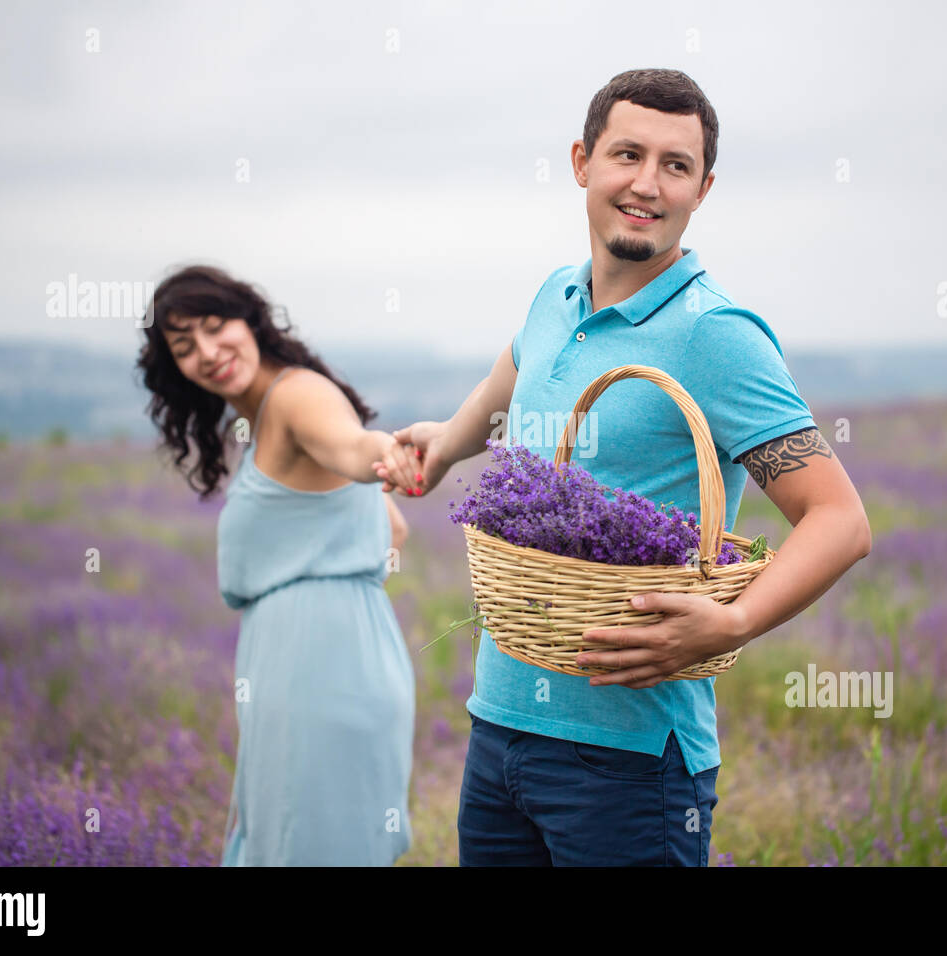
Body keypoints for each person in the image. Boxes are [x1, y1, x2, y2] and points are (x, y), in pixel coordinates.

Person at [373, 68, 873, 867]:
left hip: (630, 762)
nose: (647, 185)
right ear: (582, 161)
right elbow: (510, 389)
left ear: (703, 188)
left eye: (675, 166)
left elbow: (840, 521)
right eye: (627, 155)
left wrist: (737, 620)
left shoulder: (717, 335)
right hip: (500, 724)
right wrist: (443, 444)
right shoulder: (553, 298)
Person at [136, 265, 422, 865]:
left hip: (324, 670)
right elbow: (391, 527)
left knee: (310, 847)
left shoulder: (297, 396)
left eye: (216, 328)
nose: (208, 353)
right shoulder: (262, 413)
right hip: (306, 664)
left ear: (251, 321)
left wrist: (386, 456)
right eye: (184, 347)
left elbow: (352, 446)